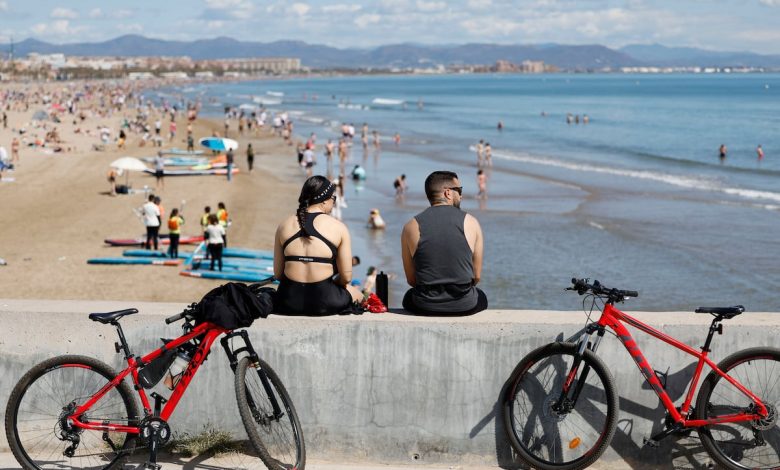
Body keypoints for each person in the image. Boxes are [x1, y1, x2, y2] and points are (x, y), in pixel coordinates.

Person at [273, 176, 363, 315]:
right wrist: (332, 284)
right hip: (324, 302)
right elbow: (346, 277)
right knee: (360, 295)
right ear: (325, 199)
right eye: (334, 198)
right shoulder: (338, 227)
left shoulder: (284, 225)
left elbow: (278, 274)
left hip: (287, 301)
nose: (333, 202)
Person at [401, 171, 487, 316]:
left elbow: (411, 279)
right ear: (448, 193)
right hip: (464, 305)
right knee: (482, 296)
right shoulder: (471, 222)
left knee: (408, 297)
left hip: (425, 305)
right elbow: (476, 276)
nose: (461, 196)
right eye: (459, 191)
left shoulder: (410, 226)